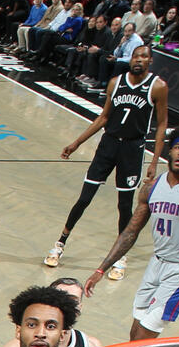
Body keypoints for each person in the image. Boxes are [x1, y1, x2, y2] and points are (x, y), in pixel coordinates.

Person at [84, 121, 179, 347]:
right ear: (170, 150)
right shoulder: (152, 187)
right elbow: (130, 231)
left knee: (145, 335)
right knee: (135, 333)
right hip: (156, 263)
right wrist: (101, 269)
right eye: (178, 147)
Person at [45, 42, 170, 280]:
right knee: (84, 198)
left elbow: (162, 124)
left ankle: (120, 257)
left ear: (150, 61)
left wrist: (154, 162)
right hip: (108, 145)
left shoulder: (158, 87)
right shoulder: (116, 82)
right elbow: (103, 117)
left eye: (144, 57)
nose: (139, 60)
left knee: (124, 206)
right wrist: (77, 142)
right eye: (136, 56)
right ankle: (59, 244)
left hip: (133, 149)